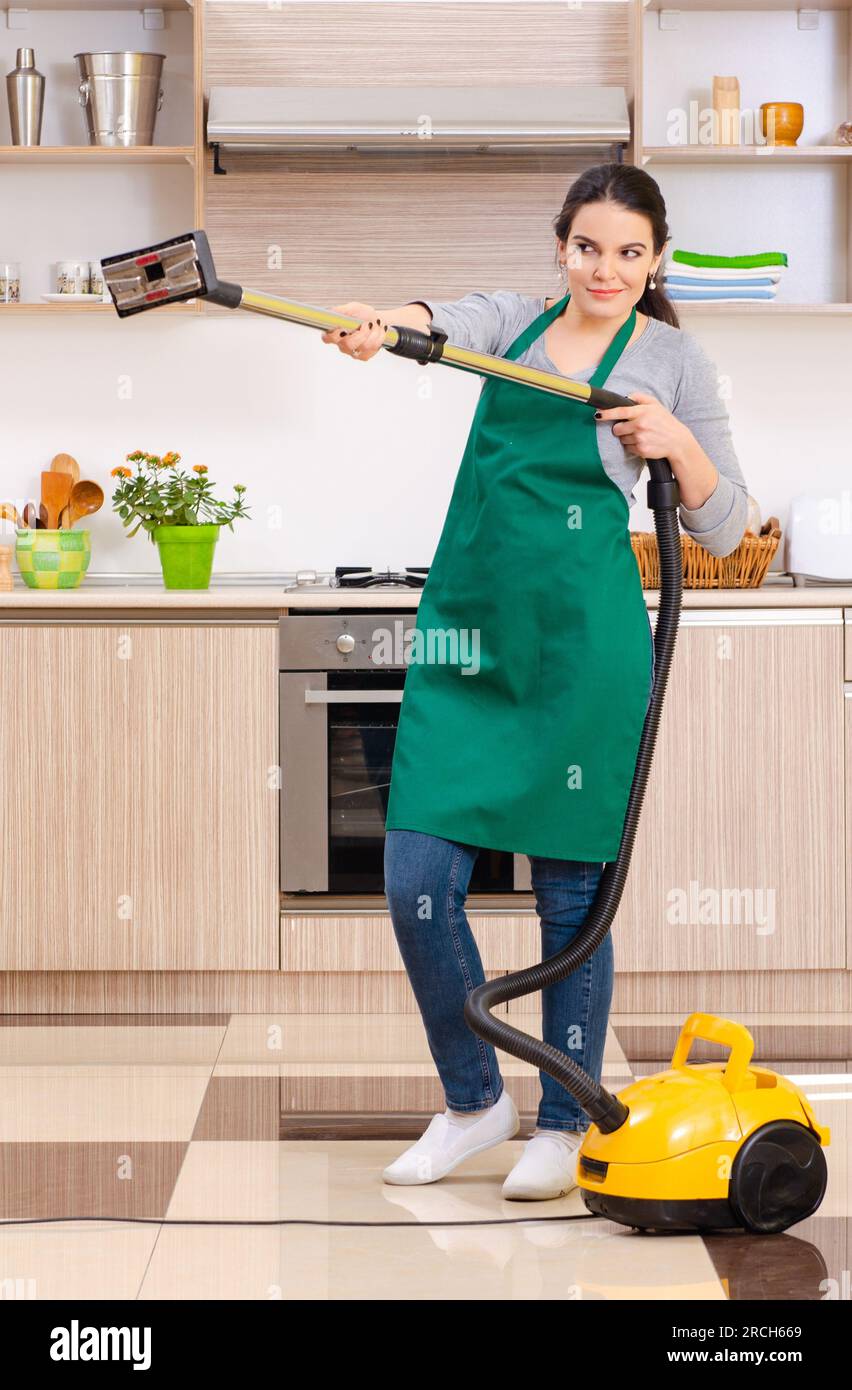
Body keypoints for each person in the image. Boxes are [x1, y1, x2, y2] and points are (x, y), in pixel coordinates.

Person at [321, 162, 748, 1201]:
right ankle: (474, 1101)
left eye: (629, 252)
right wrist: (382, 321)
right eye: (588, 247)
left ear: (658, 263)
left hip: (584, 654)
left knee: (571, 900)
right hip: (466, 643)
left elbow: (726, 521)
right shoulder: (514, 320)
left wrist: (679, 444)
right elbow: (438, 322)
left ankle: (564, 1117)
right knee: (417, 882)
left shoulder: (676, 361)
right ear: (561, 247)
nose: (606, 268)